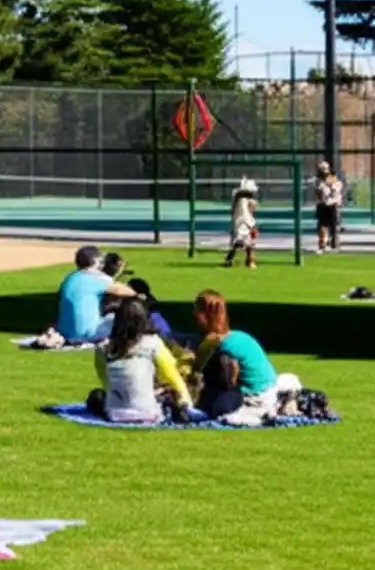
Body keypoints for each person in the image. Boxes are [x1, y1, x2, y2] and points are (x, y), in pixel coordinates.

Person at [90, 299, 195, 424]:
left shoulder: (103, 348)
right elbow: (171, 375)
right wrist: (186, 402)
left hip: (114, 413)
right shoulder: (152, 343)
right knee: (169, 395)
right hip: (149, 412)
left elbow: (105, 379)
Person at [192, 290, 279, 426]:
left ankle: (258, 416)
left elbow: (197, 367)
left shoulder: (216, 343)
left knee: (217, 408)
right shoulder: (239, 336)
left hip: (255, 395)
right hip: (270, 388)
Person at [54, 245, 138, 343]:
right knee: (124, 314)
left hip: (65, 333)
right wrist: (139, 295)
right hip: (88, 334)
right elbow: (123, 291)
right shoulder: (98, 278)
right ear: (96, 261)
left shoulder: (69, 278)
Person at [225, 177, 259, 269]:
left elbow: (233, 211)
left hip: (237, 223)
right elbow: (251, 212)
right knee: (249, 244)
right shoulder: (248, 200)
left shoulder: (237, 200)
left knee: (236, 243)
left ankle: (230, 259)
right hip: (246, 223)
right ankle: (250, 262)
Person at [314, 161, 344, 254]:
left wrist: (330, 185)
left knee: (334, 226)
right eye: (321, 169)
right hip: (322, 205)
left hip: (333, 205)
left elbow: (336, 190)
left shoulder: (335, 180)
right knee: (322, 226)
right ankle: (323, 245)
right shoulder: (318, 181)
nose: (324, 171)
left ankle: (334, 245)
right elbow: (319, 193)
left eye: (325, 168)